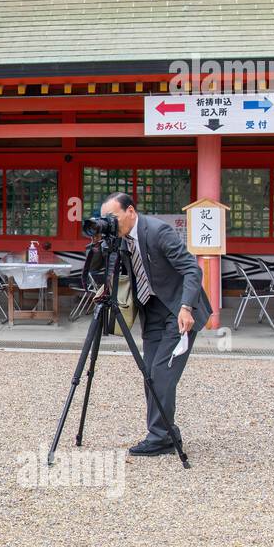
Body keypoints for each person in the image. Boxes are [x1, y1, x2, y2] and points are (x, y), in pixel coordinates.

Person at [99, 192, 213, 457]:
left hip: (178, 310)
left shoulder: (158, 232)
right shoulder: (121, 239)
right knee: (150, 372)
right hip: (151, 310)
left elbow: (192, 270)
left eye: (113, 217)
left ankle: (161, 437)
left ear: (131, 212)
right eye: (106, 219)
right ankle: (165, 433)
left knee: (162, 372)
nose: (110, 223)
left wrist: (186, 307)